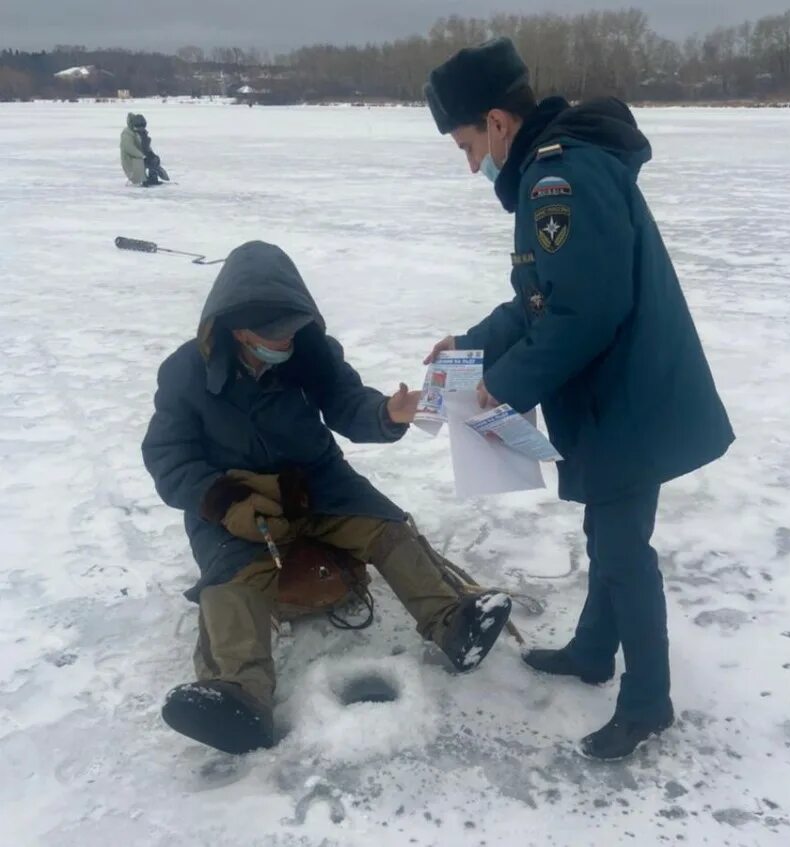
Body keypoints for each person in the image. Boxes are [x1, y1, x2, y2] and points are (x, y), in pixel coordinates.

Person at [423, 38, 734, 760]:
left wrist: (500, 386)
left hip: (627, 399)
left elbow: (584, 315)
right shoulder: (552, 167)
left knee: (624, 549)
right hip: (617, 394)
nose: (472, 164)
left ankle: (648, 702)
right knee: (609, 534)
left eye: (469, 143)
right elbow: (538, 301)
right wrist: (468, 347)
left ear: (498, 122)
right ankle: (595, 651)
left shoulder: (559, 176)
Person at [142, 240, 512, 755]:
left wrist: (389, 412)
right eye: (274, 334)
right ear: (237, 328)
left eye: (292, 328)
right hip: (236, 498)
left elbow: (344, 402)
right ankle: (239, 695)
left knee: (388, 527)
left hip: (316, 480)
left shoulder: (311, 349)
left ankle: (454, 623)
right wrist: (224, 503)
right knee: (230, 579)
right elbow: (167, 456)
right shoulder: (185, 373)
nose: (285, 341)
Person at [120, 112, 146, 186]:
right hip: (130, 159)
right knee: (139, 161)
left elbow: (145, 145)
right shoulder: (127, 133)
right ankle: (138, 181)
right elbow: (128, 147)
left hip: (139, 156)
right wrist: (141, 155)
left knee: (153, 160)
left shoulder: (139, 132)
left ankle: (151, 178)